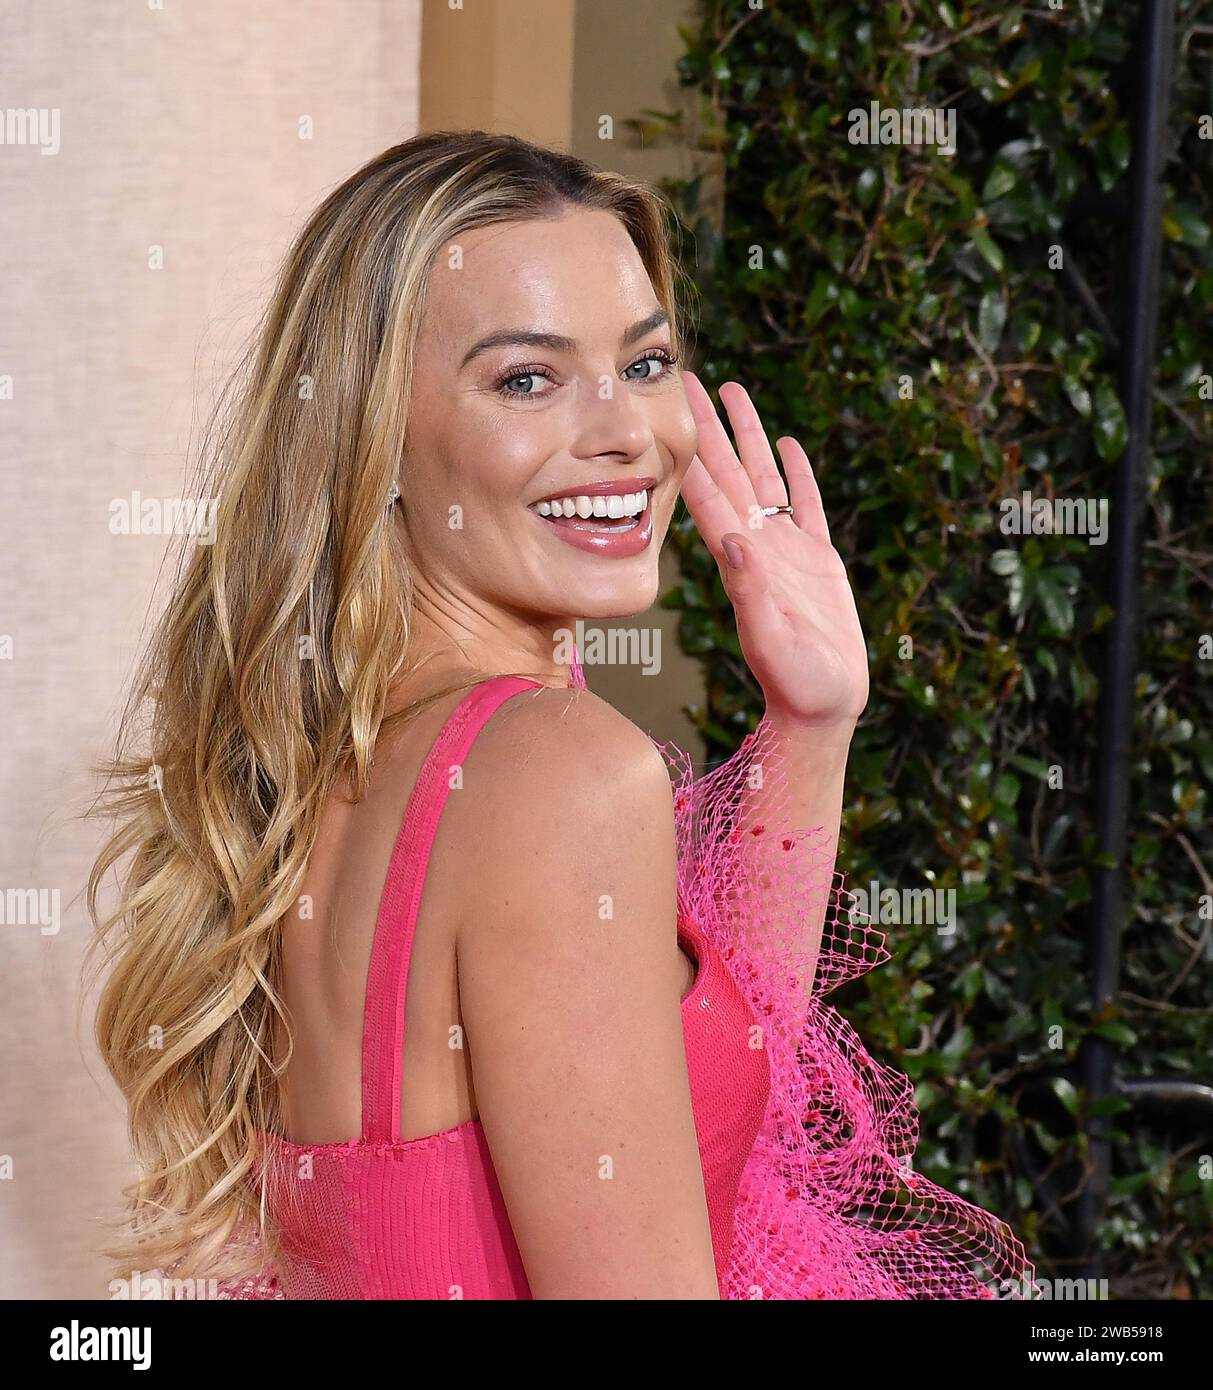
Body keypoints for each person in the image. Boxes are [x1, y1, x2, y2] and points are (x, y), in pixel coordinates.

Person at [87, 130, 1033, 1300]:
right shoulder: (552, 769)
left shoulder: (347, 750)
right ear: (372, 434)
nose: (627, 432)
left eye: (643, 365)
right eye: (526, 379)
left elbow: (712, 1105)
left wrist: (811, 722)